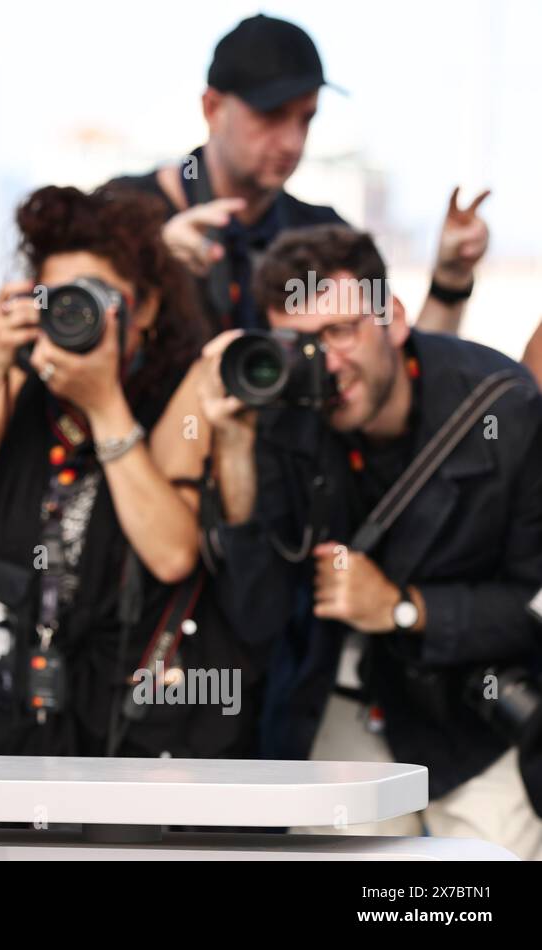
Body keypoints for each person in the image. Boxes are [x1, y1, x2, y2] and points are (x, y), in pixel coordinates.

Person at [199, 224, 542, 858]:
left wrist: (403, 607)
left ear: (396, 319)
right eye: (300, 342)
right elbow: (254, 616)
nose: (323, 364)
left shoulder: (504, 409)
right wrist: (236, 447)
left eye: (340, 332)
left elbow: (532, 603)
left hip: (475, 720)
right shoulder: (281, 414)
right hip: (346, 714)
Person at [0, 185, 258, 758]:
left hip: (123, 729)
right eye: (60, 298)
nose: (77, 315)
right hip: (7, 717)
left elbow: (170, 552)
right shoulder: (17, 383)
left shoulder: (178, 390)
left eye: (100, 297)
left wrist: (105, 405)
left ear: (149, 306)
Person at [108, 14, 488, 338]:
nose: (291, 141)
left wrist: (450, 280)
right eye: (270, 116)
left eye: (306, 118)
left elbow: (395, 375)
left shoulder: (326, 236)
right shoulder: (117, 214)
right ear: (212, 108)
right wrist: (150, 262)